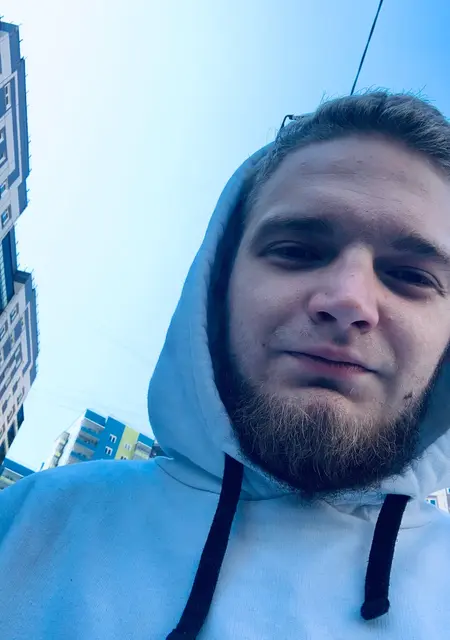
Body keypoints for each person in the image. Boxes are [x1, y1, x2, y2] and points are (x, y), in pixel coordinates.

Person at [2, 91, 450, 640]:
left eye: (410, 275)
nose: (348, 300)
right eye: (297, 250)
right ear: (217, 289)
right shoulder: (28, 526)